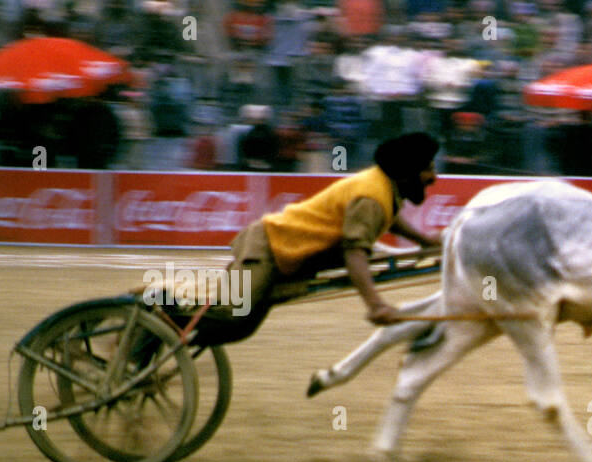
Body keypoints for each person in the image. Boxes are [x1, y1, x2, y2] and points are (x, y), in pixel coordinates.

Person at [164, 132, 442, 346]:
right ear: (407, 172)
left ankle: (167, 332)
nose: (434, 177)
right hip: (268, 247)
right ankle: (159, 313)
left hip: (285, 254)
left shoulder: (383, 188)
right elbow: (354, 253)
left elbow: (389, 217)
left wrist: (425, 242)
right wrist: (376, 304)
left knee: (240, 328)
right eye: (428, 169)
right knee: (232, 315)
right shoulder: (371, 197)